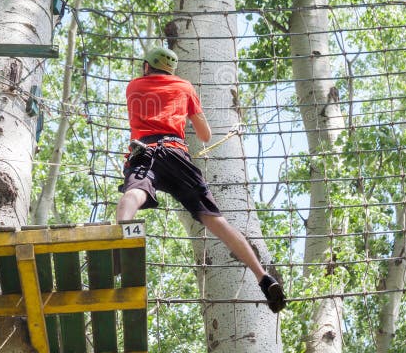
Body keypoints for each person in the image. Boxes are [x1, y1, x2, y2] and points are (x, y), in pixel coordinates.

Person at [116, 46, 286, 313]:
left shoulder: (133, 86)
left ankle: (121, 235)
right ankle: (263, 277)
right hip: (177, 154)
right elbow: (205, 135)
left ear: (147, 67)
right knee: (215, 220)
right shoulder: (184, 87)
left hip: (145, 151)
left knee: (136, 192)